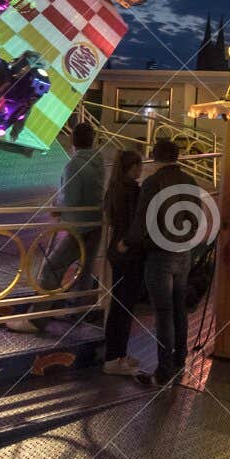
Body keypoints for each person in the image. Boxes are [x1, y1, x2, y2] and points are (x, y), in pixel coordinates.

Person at [11, 121, 105, 333]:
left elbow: (70, 200)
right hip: (95, 223)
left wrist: (57, 206)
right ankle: (77, 312)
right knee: (85, 269)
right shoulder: (98, 161)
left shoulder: (73, 165)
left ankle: (37, 319)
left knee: (51, 268)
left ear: (72, 140)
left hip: (78, 227)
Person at [128, 137, 206, 384]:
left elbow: (142, 220)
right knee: (179, 310)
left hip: (159, 256)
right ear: (177, 157)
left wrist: (128, 242)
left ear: (155, 157)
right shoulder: (191, 182)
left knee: (163, 313)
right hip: (182, 255)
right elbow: (196, 220)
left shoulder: (153, 183)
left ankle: (163, 369)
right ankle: (180, 361)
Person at [100, 148, 146, 376]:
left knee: (119, 303)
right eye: (139, 165)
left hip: (116, 250)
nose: (141, 169)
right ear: (132, 167)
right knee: (125, 306)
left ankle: (115, 353)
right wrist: (128, 242)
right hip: (128, 252)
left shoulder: (114, 189)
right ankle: (115, 357)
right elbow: (136, 223)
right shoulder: (133, 191)